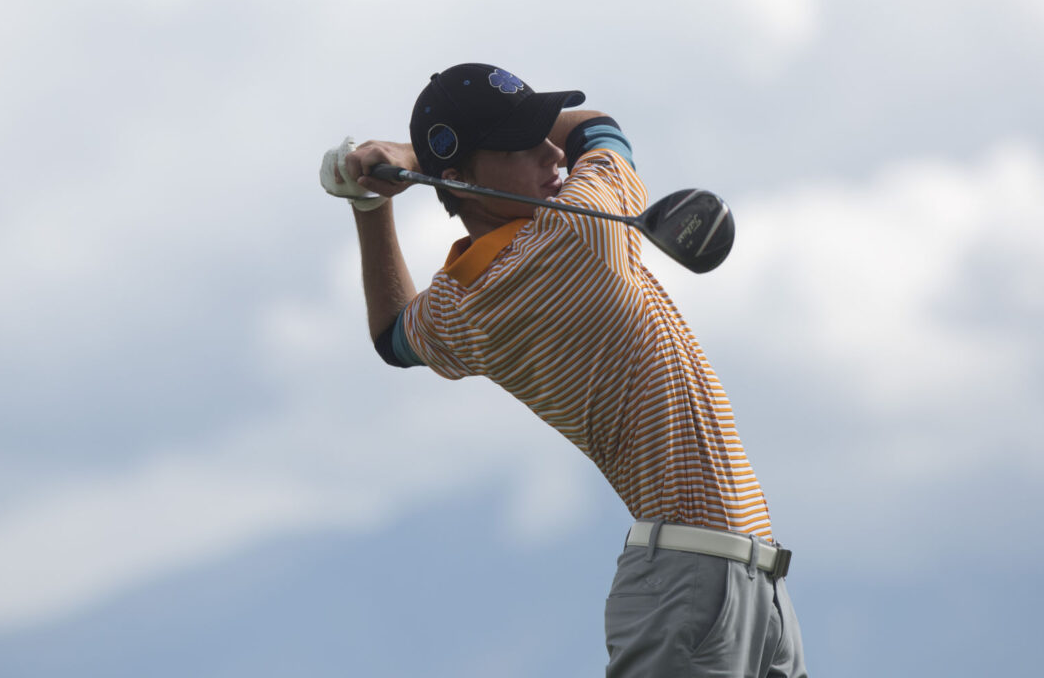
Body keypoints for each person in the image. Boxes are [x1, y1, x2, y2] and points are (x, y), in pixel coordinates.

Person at [319, 63, 808, 677]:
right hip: (693, 586)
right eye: (520, 144)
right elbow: (597, 129)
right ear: (458, 180)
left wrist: (369, 203)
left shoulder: (459, 305)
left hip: (742, 581)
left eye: (539, 132)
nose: (552, 154)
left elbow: (393, 335)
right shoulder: (578, 230)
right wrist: (409, 154)